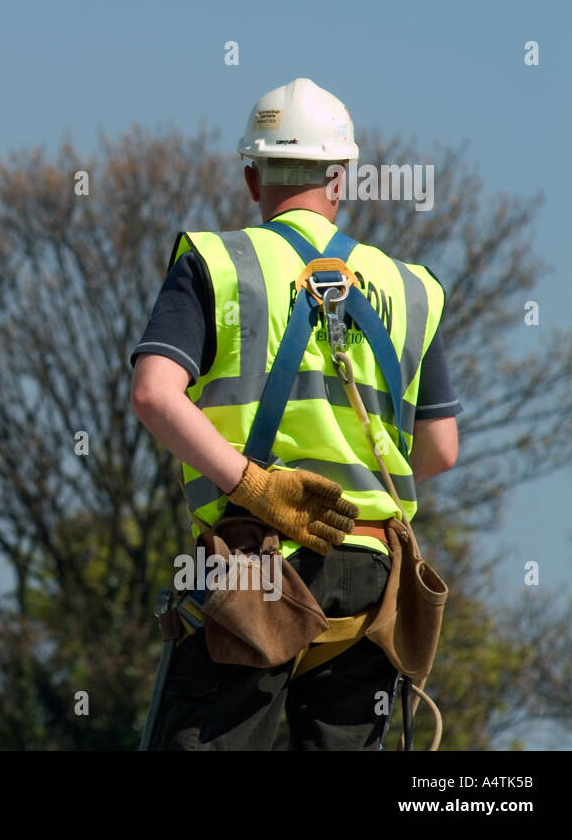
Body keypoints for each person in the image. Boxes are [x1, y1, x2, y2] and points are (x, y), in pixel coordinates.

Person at [129, 77, 460, 750]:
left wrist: (255, 486)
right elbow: (440, 450)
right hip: (371, 576)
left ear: (253, 180)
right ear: (342, 179)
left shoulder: (218, 263)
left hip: (256, 565)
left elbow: (154, 394)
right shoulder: (411, 287)